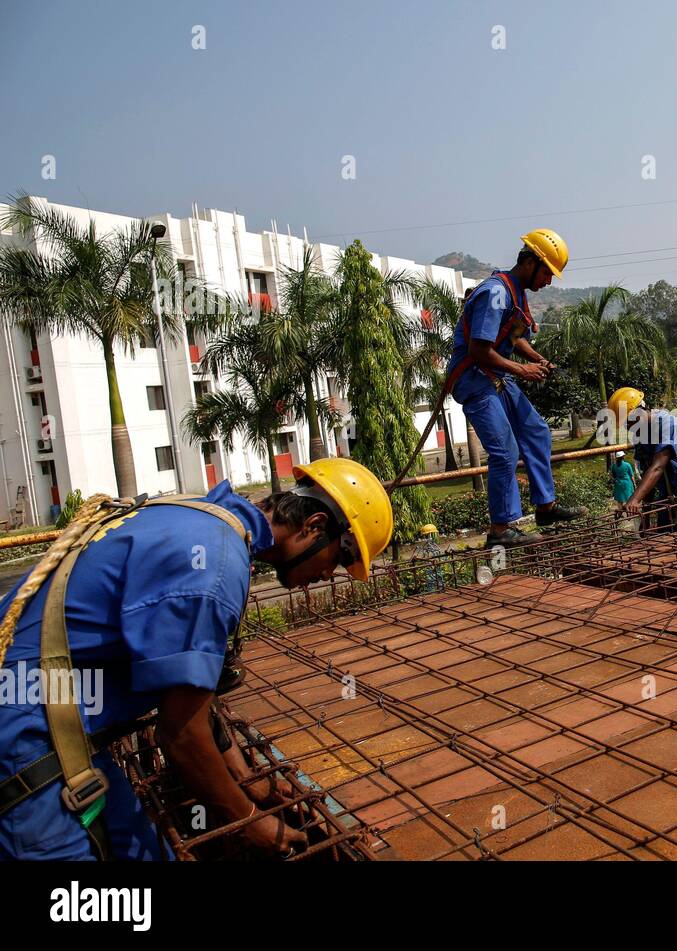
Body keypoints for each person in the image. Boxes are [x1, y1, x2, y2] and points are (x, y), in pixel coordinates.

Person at [0, 458, 393, 860]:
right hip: (27, 741)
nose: (331, 574)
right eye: (341, 557)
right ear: (314, 527)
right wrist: (249, 818)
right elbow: (181, 733)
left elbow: (189, 697)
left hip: (52, 723)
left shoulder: (199, 518)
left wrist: (244, 778)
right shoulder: (215, 565)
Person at [445, 228, 586, 547]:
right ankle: (499, 531)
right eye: (547, 273)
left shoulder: (516, 293)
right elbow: (479, 349)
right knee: (503, 450)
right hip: (474, 377)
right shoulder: (495, 292)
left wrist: (539, 359)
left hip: (495, 375)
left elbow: (514, 337)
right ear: (531, 262)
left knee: (536, 430)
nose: (548, 282)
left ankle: (546, 507)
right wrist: (523, 369)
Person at [607, 387, 677, 530]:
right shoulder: (640, 435)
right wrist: (645, 518)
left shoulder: (669, 425)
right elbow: (649, 474)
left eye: (629, 422)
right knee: (662, 543)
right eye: (624, 425)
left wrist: (634, 499)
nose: (628, 428)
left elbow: (657, 467)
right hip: (666, 502)